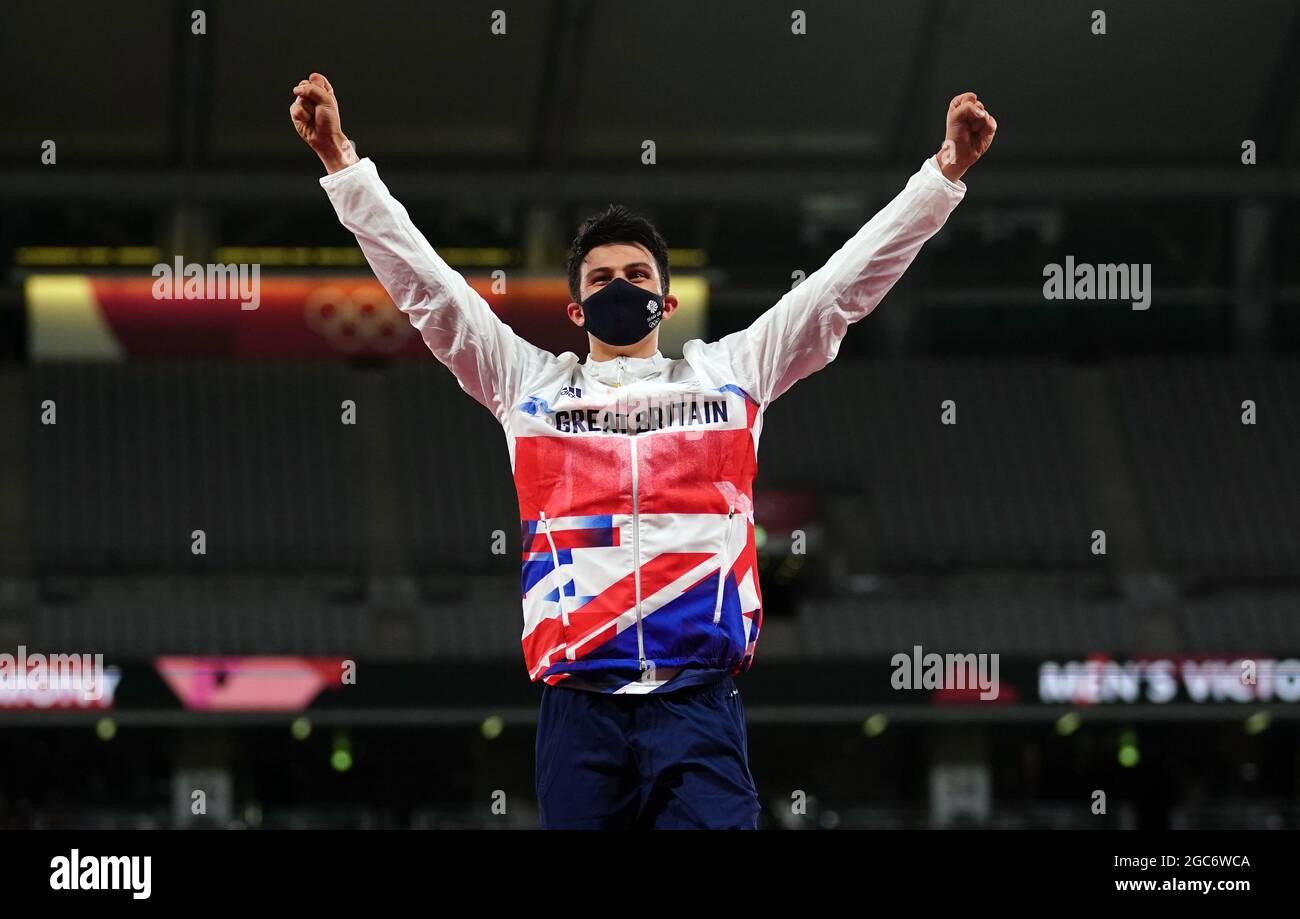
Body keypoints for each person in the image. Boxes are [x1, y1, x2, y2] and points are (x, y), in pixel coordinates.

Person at [290, 72, 996, 829]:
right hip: (579, 708)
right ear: (574, 304)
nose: (619, 286)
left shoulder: (732, 376)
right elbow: (428, 289)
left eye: (635, 275)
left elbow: (840, 289)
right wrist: (342, 161)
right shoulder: (526, 386)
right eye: (601, 277)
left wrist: (942, 176)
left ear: (666, 300)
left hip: (698, 703)